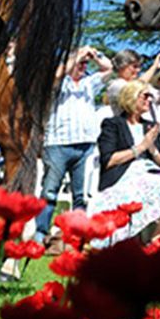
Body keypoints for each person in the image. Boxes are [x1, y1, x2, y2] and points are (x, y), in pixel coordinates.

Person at [34, 46, 113, 247]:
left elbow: (108, 69)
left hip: (85, 144)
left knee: (81, 195)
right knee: (50, 192)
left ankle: (76, 235)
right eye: (80, 63)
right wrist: (75, 56)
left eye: (85, 64)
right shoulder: (59, 81)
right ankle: (40, 233)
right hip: (58, 143)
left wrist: (95, 55)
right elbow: (56, 77)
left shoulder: (89, 82)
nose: (83, 66)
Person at [90, 80, 160, 241]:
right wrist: (140, 147)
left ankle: (158, 236)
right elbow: (109, 160)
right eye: (145, 96)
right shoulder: (113, 124)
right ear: (131, 98)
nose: (149, 100)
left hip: (151, 171)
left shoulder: (150, 126)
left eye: (150, 96)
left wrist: (151, 147)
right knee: (157, 187)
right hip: (124, 175)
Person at [106, 49, 160, 115]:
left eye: (139, 67)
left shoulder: (141, 85)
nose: (138, 70)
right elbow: (134, 89)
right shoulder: (116, 85)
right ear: (122, 66)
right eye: (134, 66)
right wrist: (155, 66)